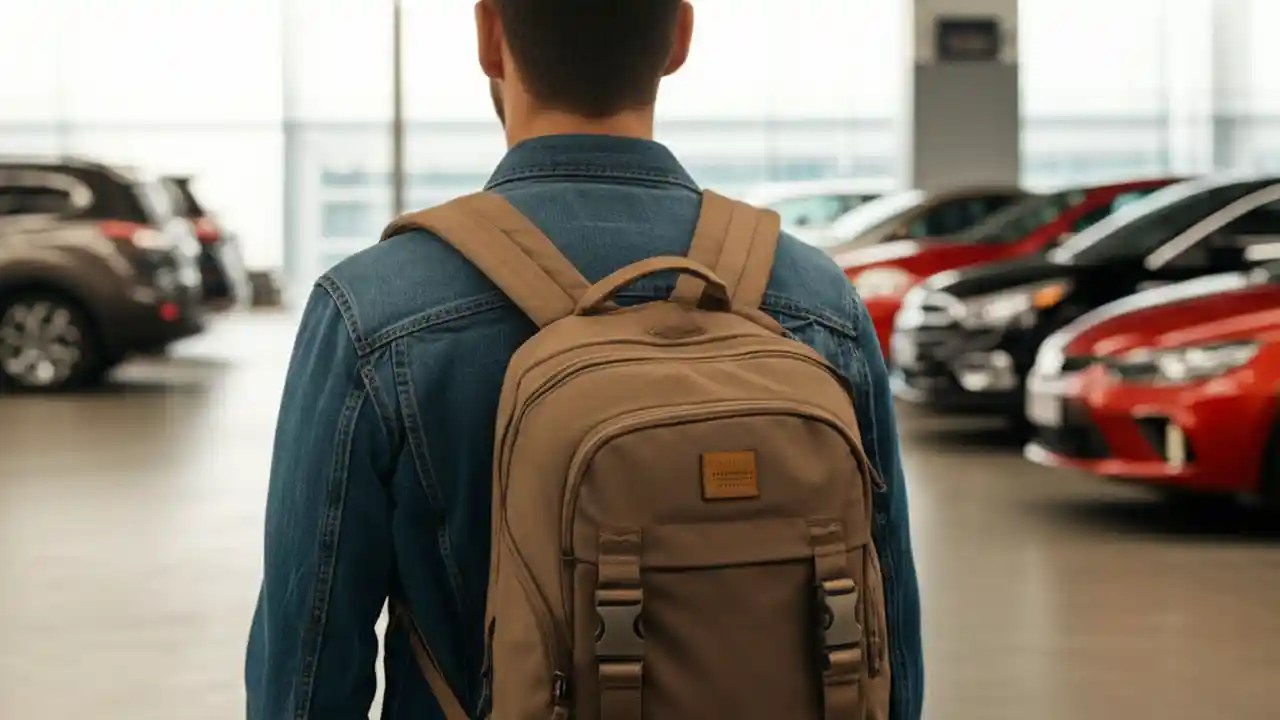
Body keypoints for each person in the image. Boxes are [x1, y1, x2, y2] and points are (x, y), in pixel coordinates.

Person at [245, 1, 923, 718]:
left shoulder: (374, 311)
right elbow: (892, 658)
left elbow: (308, 676)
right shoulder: (818, 302)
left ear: (489, 35)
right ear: (679, 39)